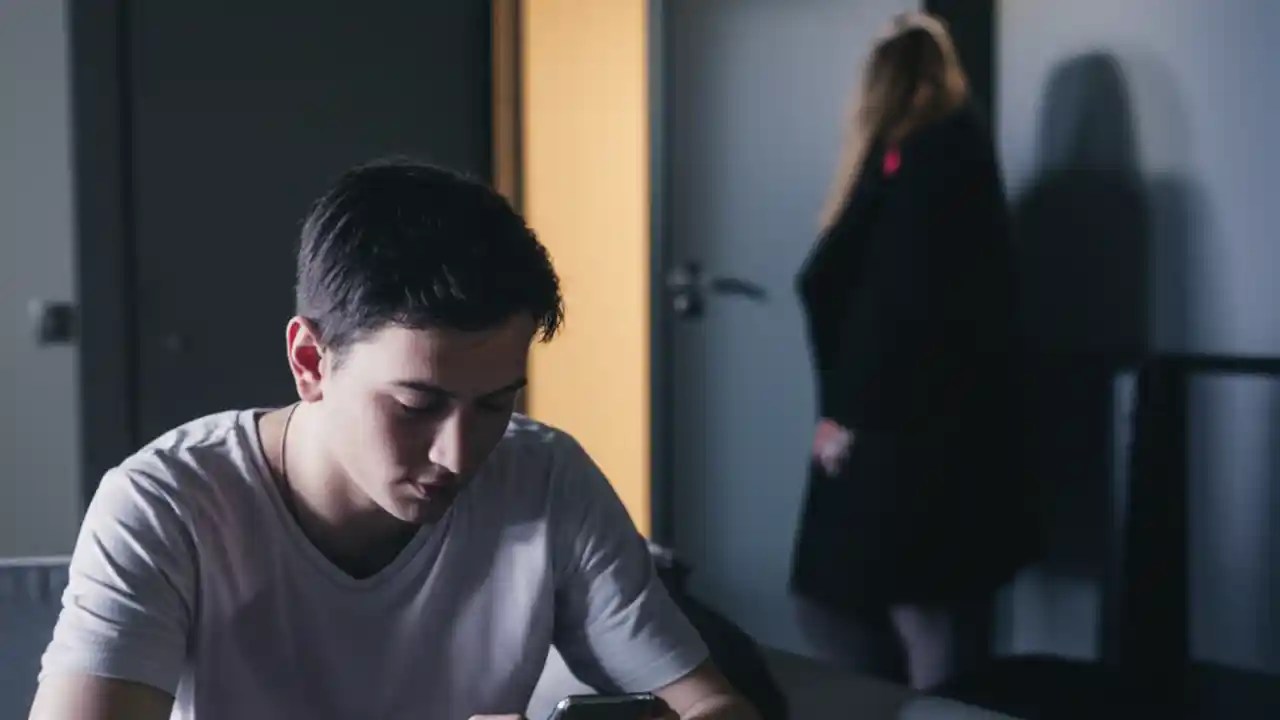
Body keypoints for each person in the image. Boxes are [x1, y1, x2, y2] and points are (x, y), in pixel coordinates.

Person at [29, 161, 758, 720]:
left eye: (495, 404)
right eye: (417, 405)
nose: (459, 455)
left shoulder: (546, 477)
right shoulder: (166, 505)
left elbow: (711, 705)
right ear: (310, 362)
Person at [790, 13, 1037, 691]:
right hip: (924, 435)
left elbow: (901, 309)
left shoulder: (926, 164)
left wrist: (847, 415)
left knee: (912, 617)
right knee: (906, 617)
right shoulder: (934, 160)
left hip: (906, 436)